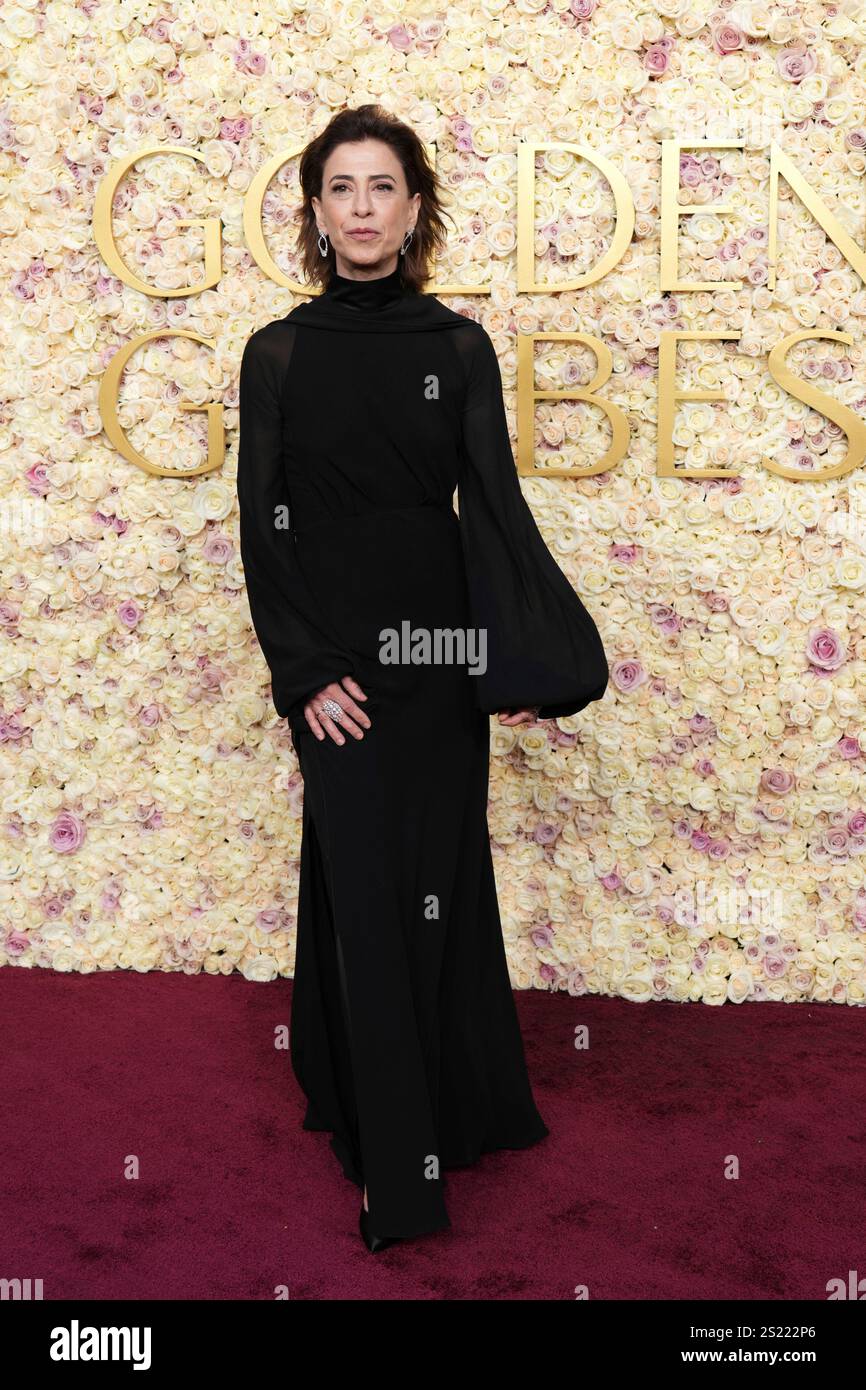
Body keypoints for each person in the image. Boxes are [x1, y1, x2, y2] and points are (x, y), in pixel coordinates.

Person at [236, 104, 609, 1253]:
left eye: (381, 187)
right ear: (314, 212)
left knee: (435, 876)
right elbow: (263, 526)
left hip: (435, 658)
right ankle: (394, 1168)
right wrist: (303, 673)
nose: (360, 207)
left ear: (412, 209)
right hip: (337, 668)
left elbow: (492, 509)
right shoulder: (277, 353)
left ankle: (446, 1099)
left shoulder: (457, 349)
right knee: (360, 882)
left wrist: (528, 658)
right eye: (340, 187)